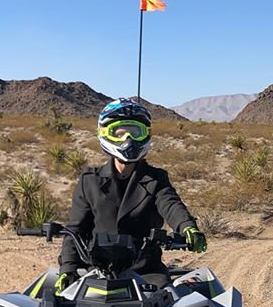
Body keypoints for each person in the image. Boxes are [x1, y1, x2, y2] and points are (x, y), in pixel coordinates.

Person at [55, 99, 207, 292]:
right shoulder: (90, 181)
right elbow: (74, 230)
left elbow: (170, 203)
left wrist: (187, 227)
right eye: (119, 132)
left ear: (146, 135)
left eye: (136, 132)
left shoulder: (156, 179)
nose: (128, 139)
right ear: (105, 134)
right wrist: (68, 268)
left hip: (146, 271)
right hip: (96, 270)